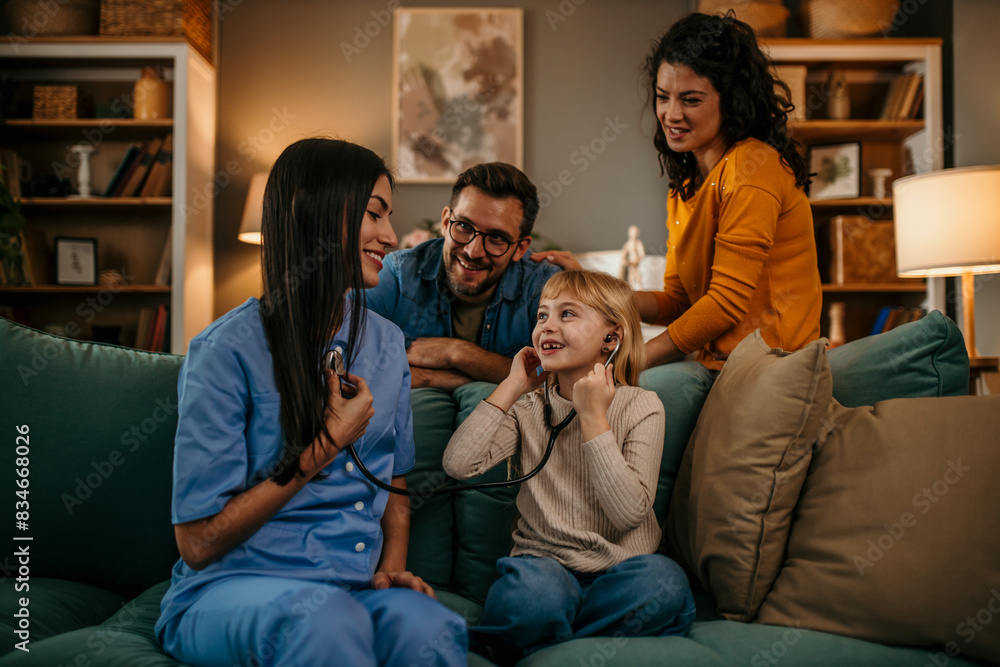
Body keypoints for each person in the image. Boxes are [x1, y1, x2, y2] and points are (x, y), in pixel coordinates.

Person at [155, 138, 467, 667]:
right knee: (324, 620)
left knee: (431, 627)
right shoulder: (224, 352)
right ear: (316, 215)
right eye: (375, 214)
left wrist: (388, 574)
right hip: (228, 588)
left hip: (350, 589)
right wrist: (322, 447)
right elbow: (199, 543)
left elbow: (393, 481)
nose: (390, 237)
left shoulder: (387, 343)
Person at [532, 12, 821, 384]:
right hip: (717, 369)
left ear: (730, 102)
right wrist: (595, 292)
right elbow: (679, 302)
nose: (671, 114)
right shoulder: (686, 187)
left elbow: (725, 303)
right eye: (662, 97)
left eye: (691, 99)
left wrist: (631, 360)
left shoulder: (753, 167)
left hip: (774, 368)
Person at [442, 270, 695, 661]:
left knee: (666, 584)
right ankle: (557, 632)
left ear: (611, 337)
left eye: (567, 314)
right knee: (535, 595)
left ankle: (537, 638)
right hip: (543, 569)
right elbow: (459, 464)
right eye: (542, 316)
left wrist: (594, 420)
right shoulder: (528, 408)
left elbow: (628, 514)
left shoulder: (642, 406)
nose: (548, 326)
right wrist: (513, 386)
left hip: (619, 574)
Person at [366, 162, 561, 392]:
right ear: (446, 221)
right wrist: (445, 380)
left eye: (497, 238)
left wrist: (459, 354)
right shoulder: (397, 273)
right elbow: (350, 362)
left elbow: (557, 378)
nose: (472, 251)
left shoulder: (544, 287)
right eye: (464, 226)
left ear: (520, 248)